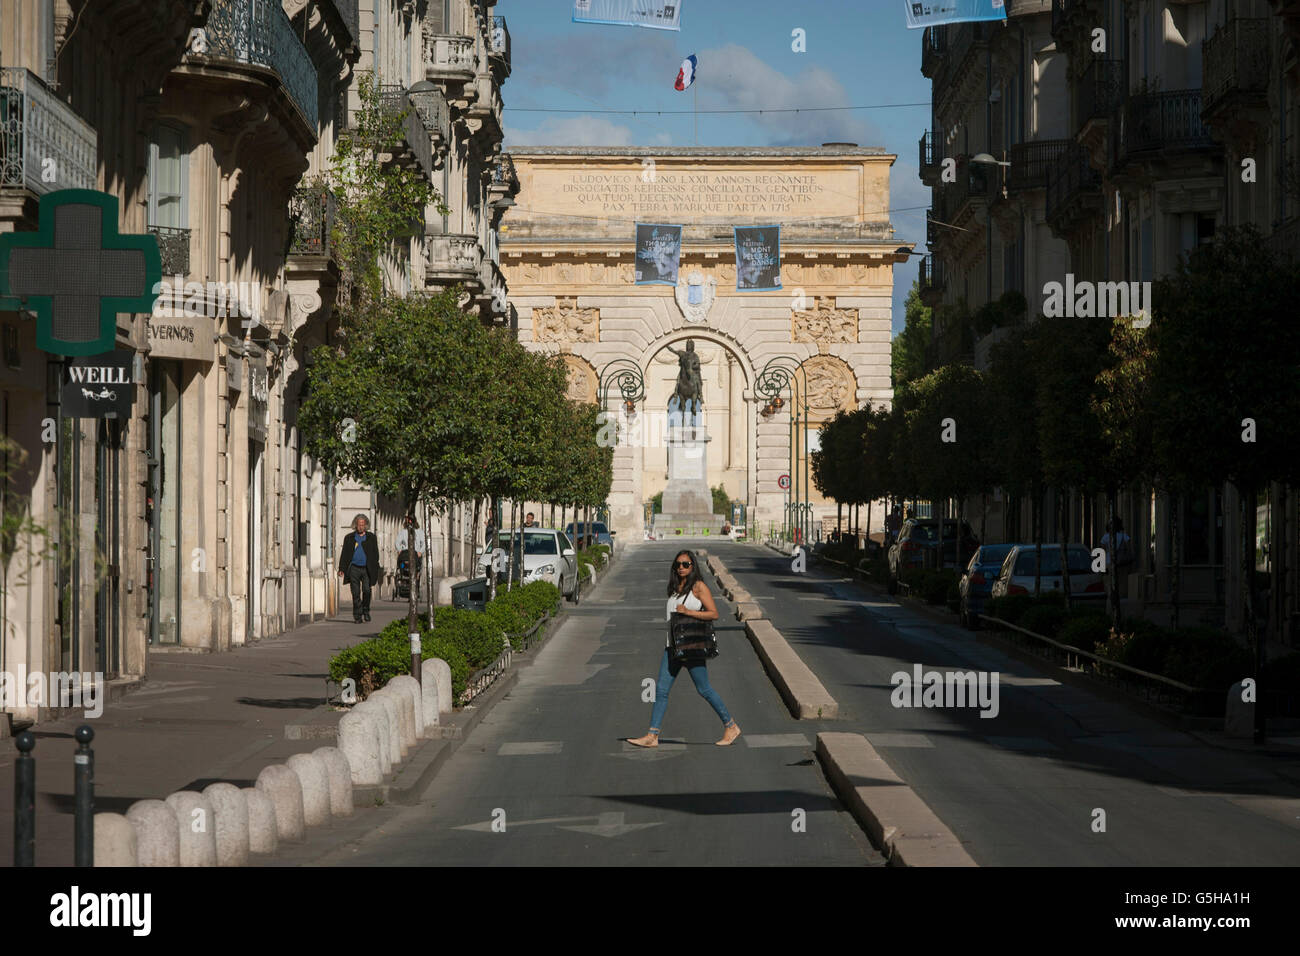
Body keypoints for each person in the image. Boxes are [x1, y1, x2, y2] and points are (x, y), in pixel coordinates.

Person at [628, 550, 741, 748]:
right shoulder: (674, 588)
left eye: (686, 564)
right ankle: (652, 735)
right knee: (661, 690)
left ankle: (731, 726)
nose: (681, 567)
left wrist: (688, 611)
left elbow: (714, 613)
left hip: (691, 646)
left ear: (693, 566)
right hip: (672, 647)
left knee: (704, 689)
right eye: (678, 564)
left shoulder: (698, 587)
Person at [338, 514, 380, 623]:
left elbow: (376, 554)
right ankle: (357, 616)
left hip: (366, 568)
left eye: (363, 524)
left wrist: (375, 568)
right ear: (355, 525)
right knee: (355, 593)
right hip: (354, 569)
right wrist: (342, 568)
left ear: (366, 525)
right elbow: (345, 554)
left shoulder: (371, 537)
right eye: (359, 525)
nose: (361, 527)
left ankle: (365, 610)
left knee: (366, 590)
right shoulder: (349, 538)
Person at [1100, 518, 1134, 598]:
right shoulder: (1124, 536)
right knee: (1122, 583)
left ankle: (1111, 598)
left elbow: (1102, 551)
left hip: (1108, 562)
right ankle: (1121, 598)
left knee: (1110, 583)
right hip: (1121, 563)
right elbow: (1129, 550)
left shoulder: (1105, 537)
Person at [396, 515, 425, 599]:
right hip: (405, 554)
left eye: (411, 520)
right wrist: (399, 550)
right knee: (402, 566)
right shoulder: (403, 531)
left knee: (417, 569)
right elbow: (398, 541)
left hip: (416, 554)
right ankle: (402, 581)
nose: (409, 522)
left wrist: (420, 551)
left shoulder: (419, 532)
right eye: (408, 521)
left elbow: (424, 543)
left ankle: (416, 584)